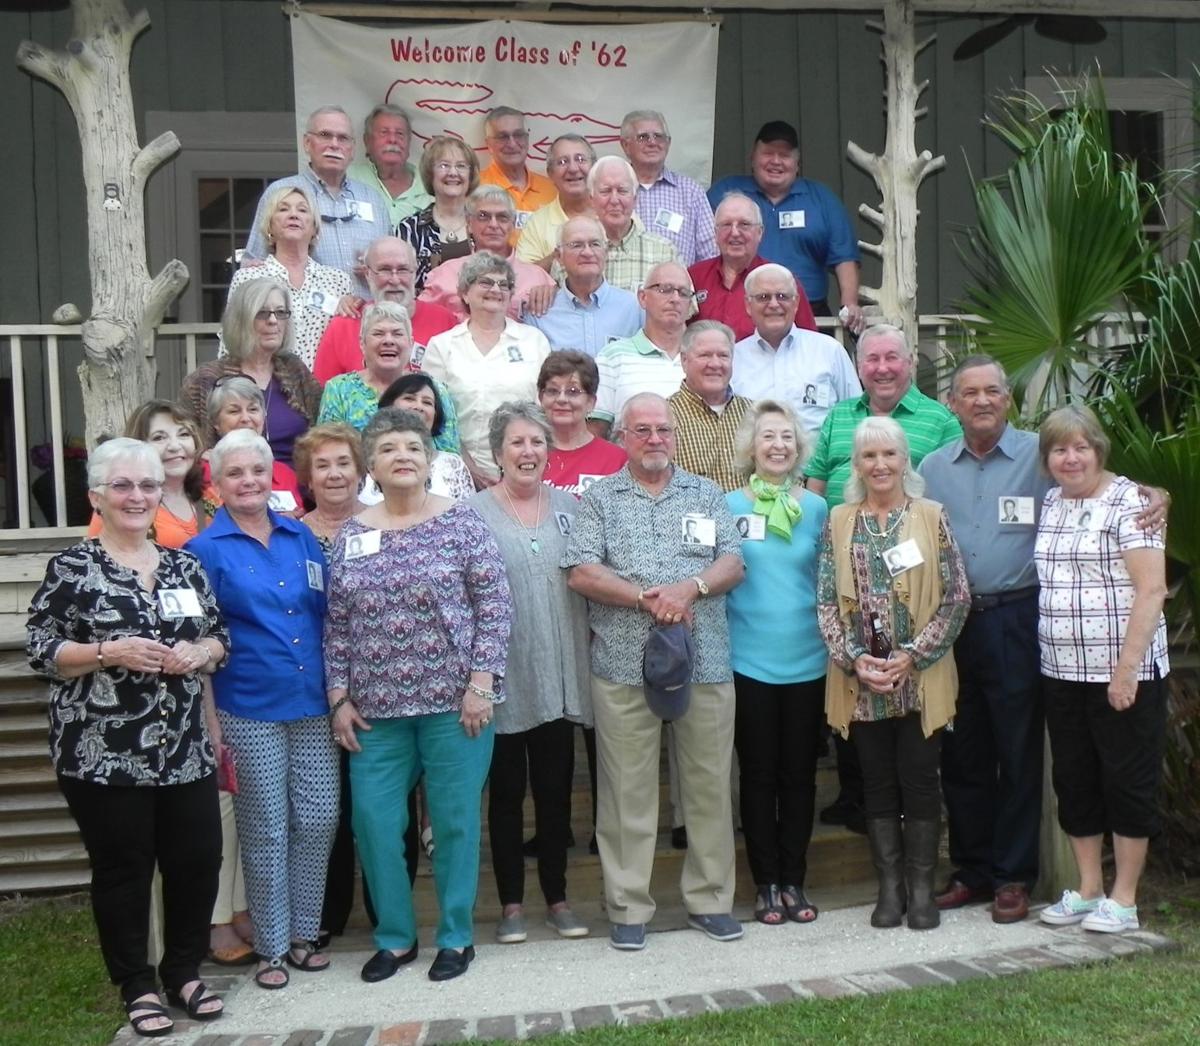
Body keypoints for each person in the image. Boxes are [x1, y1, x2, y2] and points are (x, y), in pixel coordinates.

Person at [27, 437, 229, 1037]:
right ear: (97, 497)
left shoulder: (184, 565)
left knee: (197, 861)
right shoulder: (72, 568)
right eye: (122, 486)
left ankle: (185, 972)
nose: (137, 496)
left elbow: (219, 637)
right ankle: (137, 985)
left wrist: (201, 651)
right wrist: (103, 652)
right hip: (102, 754)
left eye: (146, 486)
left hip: (185, 747)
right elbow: (41, 648)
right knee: (124, 870)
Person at [324, 408, 511, 983]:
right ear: (372, 468)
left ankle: (455, 936)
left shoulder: (462, 523)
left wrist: (482, 685)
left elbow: (495, 608)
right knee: (374, 825)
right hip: (375, 714)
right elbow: (336, 623)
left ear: (430, 461)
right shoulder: (354, 534)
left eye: (413, 446)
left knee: (454, 824)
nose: (401, 455)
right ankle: (396, 939)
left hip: (455, 707)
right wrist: (338, 698)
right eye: (388, 449)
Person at [563, 392, 746, 951]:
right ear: (623, 437)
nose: (653, 439)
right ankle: (626, 906)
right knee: (626, 789)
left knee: (710, 785)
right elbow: (582, 573)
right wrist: (647, 597)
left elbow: (734, 562)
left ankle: (711, 899)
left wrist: (688, 588)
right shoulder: (599, 500)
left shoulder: (707, 493)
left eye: (662, 429)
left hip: (705, 659)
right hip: (622, 665)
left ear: (675, 435)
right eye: (641, 430)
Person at [187, 429, 339, 990]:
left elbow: (327, 613)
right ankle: (273, 948)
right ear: (217, 484)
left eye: (257, 471)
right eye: (235, 474)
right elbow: (200, 637)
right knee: (266, 825)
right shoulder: (203, 551)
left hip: (311, 701)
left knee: (319, 818)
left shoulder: (299, 536)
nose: (248, 481)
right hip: (246, 705)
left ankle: (305, 933)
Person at [816, 417, 970, 931]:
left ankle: (922, 890)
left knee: (921, 781)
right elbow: (824, 603)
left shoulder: (931, 515)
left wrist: (913, 655)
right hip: (862, 685)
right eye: (868, 456)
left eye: (888, 455)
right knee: (877, 784)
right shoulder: (839, 519)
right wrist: (855, 659)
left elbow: (956, 598)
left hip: (920, 680)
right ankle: (890, 889)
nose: (879, 465)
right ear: (856, 466)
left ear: (905, 459)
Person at [1035, 404, 1169, 935]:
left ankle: (1125, 897)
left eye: (1080, 447)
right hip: (1061, 669)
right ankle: (1088, 889)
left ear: (1099, 449)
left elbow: (1152, 588)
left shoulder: (1133, 502)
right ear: (1047, 460)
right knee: (1075, 780)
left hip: (1122, 670)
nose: (1071, 458)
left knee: (1127, 782)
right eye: (1059, 449)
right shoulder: (1051, 502)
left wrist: (1127, 669)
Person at [469, 402, 592, 942]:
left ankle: (559, 899)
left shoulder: (571, 507)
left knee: (554, 790)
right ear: (497, 453)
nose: (528, 452)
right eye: (517, 443)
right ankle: (512, 906)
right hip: (502, 675)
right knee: (505, 796)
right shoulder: (471, 513)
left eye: (537, 443)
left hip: (562, 670)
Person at [725, 400, 829, 926]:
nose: (778, 446)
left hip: (809, 659)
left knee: (800, 777)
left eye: (787, 437)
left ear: (799, 446)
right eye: (768, 437)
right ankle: (765, 883)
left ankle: (795, 878)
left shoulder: (815, 509)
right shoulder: (727, 505)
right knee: (759, 776)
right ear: (752, 446)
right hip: (749, 662)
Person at [708, 120, 863, 331]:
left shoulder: (822, 199)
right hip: (741, 311)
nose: (776, 161)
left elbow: (844, 257)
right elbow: (701, 246)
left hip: (810, 315)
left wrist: (849, 305)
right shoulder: (724, 192)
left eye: (785, 155)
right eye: (768, 153)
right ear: (752, 158)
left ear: (797, 164)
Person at [420, 252, 552, 487]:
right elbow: (434, 417)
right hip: (455, 472)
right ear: (464, 292)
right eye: (485, 282)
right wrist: (468, 468)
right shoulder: (442, 345)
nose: (496, 289)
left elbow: (545, 411)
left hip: (523, 471)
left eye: (504, 284)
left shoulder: (534, 341)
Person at [242, 106, 390, 298]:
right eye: (325, 135)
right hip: (305, 320)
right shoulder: (280, 194)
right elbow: (254, 265)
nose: (334, 144)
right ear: (307, 143)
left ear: (352, 150)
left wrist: (378, 267)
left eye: (343, 138)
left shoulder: (373, 199)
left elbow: (393, 266)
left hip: (365, 319)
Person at [180, 280, 321, 471]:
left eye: (280, 313)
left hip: (298, 492)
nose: (273, 320)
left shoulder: (295, 370)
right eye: (262, 313)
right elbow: (182, 445)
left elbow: (321, 432)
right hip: (235, 490)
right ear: (241, 320)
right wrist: (199, 455)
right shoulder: (206, 380)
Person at [225, 183, 352, 368]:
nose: (294, 215)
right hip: (267, 389)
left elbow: (348, 343)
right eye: (283, 209)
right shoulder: (248, 279)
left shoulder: (339, 281)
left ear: (315, 228)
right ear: (270, 226)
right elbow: (231, 344)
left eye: (302, 210)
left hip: (325, 390)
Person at [732, 263, 862, 433]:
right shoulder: (733, 359)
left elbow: (855, 416)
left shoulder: (830, 351)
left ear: (796, 303)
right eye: (763, 297)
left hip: (820, 459)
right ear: (748, 305)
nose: (773, 304)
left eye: (782, 296)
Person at [312, 236, 456, 384]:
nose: (394, 280)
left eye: (403, 270)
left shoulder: (445, 322)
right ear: (367, 273)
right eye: (385, 270)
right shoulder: (344, 325)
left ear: (415, 272)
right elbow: (321, 394)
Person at [688, 192, 816, 343]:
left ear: (760, 232)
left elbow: (808, 341)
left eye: (744, 224)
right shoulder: (693, 277)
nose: (734, 233)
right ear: (715, 234)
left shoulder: (782, 280)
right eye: (726, 225)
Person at [85, 401, 216, 546]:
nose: (174, 446)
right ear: (138, 447)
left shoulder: (214, 497)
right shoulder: (120, 507)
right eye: (159, 437)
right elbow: (97, 562)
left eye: (183, 434)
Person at [419, 186, 554, 321]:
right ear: (469, 224)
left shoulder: (538, 278)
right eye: (483, 216)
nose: (494, 224)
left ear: (512, 225)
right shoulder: (446, 273)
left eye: (502, 217)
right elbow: (420, 319)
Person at [591, 261, 694, 435]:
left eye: (683, 293)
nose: (675, 298)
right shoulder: (612, 357)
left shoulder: (703, 359)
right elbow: (595, 433)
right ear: (642, 297)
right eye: (665, 289)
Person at [525, 217, 644, 355]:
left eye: (595, 244)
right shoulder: (540, 312)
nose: (587, 252)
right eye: (577, 245)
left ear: (605, 253)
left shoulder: (634, 308)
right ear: (559, 256)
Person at [619, 109, 715, 266]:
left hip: (677, 288)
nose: (652, 142)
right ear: (625, 145)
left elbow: (710, 255)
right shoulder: (611, 190)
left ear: (668, 143)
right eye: (643, 137)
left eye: (658, 136)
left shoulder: (690, 192)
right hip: (622, 288)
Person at [668, 321, 753, 493]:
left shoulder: (755, 414)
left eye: (723, 355)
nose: (715, 364)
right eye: (705, 355)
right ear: (684, 361)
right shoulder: (664, 417)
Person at [573, 155, 678, 293]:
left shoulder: (665, 252)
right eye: (606, 191)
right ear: (591, 199)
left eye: (622, 191)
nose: (615, 200)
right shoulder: (572, 251)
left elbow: (683, 307)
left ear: (635, 199)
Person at [201, 377, 305, 514]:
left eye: (253, 409)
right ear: (216, 422)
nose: (245, 418)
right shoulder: (202, 473)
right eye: (234, 411)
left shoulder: (285, 473)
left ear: (263, 416)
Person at [317, 301, 418, 431]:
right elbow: (328, 446)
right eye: (378, 333)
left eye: (397, 334)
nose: (388, 340)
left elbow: (446, 449)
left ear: (411, 343)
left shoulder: (430, 390)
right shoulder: (339, 390)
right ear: (362, 343)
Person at [374, 374, 476, 502]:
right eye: (409, 398)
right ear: (389, 406)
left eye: (427, 402)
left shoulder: (453, 465)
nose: (418, 406)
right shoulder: (368, 462)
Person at [538, 351, 627, 498]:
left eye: (573, 391)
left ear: (591, 402)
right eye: (552, 391)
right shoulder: (528, 455)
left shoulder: (617, 461)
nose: (561, 399)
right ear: (541, 398)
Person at [397, 136, 481, 291]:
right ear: (430, 174)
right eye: (444, 166)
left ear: (471, 175)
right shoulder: (410, 228)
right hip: (426, 312)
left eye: (461, 166)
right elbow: (401, 284)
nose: (453, 173)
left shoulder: (485, 224)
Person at [515, 134, 597, 267]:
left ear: (594, 168)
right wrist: (559, 256)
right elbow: (522, 276)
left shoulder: (616, 213)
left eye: (580, 159)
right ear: (550, 173)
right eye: (563, 162)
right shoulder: (537, 223)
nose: (573, 169)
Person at [347, 103, 433, 227]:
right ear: (367, 141)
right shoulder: (348, 178)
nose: (393, 139)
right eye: (384, 132)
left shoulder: (430, 184)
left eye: (400, 134)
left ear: (409, 142)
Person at [479, 105, 557, 230]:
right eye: (503, 137)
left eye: (518, 135)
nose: (512, 143)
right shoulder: (475, 187)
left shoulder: (552, 189)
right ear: (489, 144)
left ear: (527, 139)